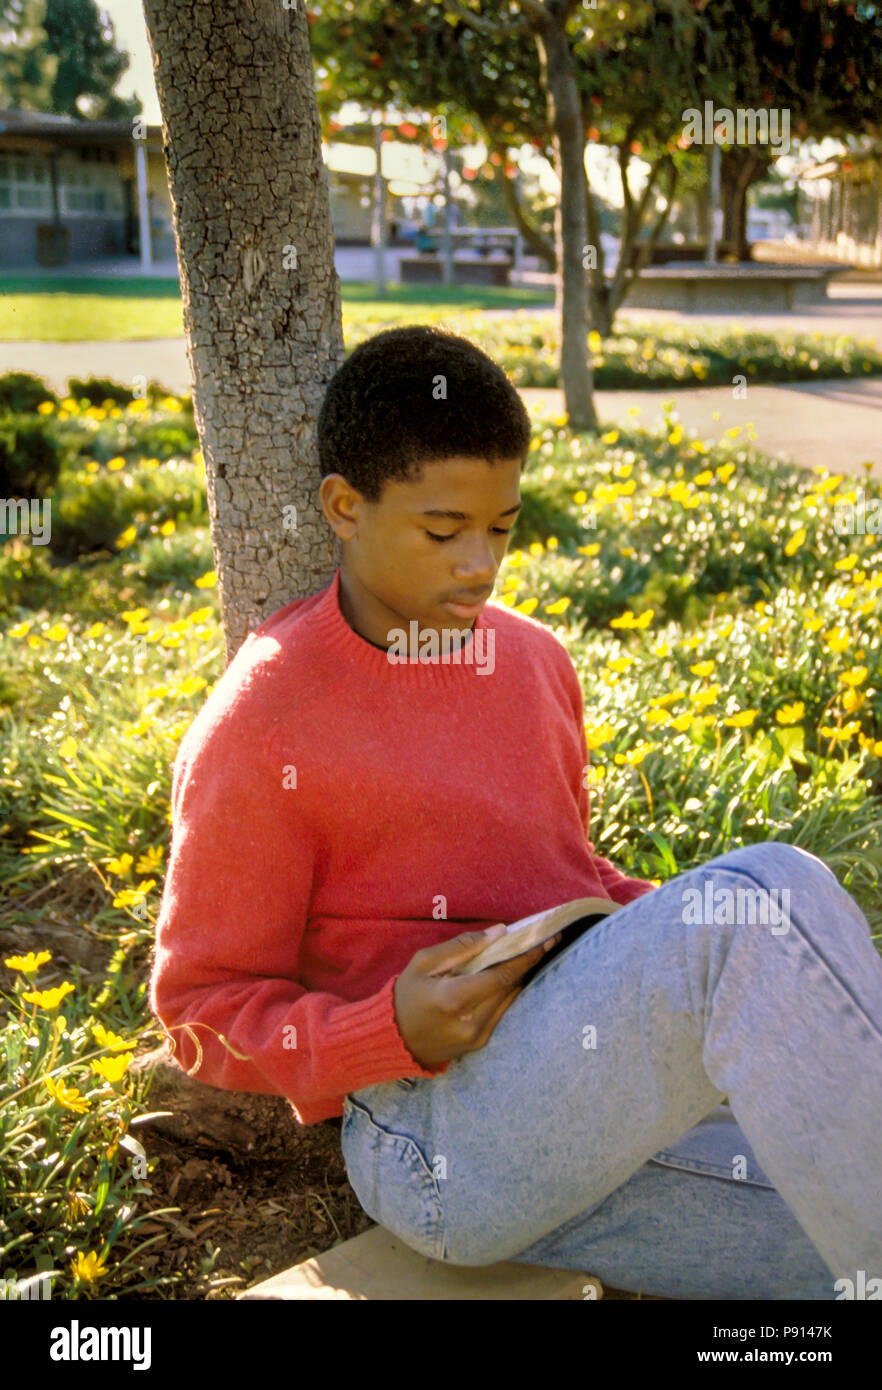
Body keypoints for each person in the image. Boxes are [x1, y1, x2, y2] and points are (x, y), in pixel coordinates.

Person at [150, 325, 882, 1300]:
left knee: (845, 1239)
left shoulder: (534, 661)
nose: (481, 564)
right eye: (444, 528)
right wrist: (389, 1027)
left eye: (503, 526)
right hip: (433, 1142)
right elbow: (200, 1014)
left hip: (586, 1120)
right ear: (344, 507)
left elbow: (567, 876)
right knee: (773, 886)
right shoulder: (265, 718)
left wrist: (671, 928)